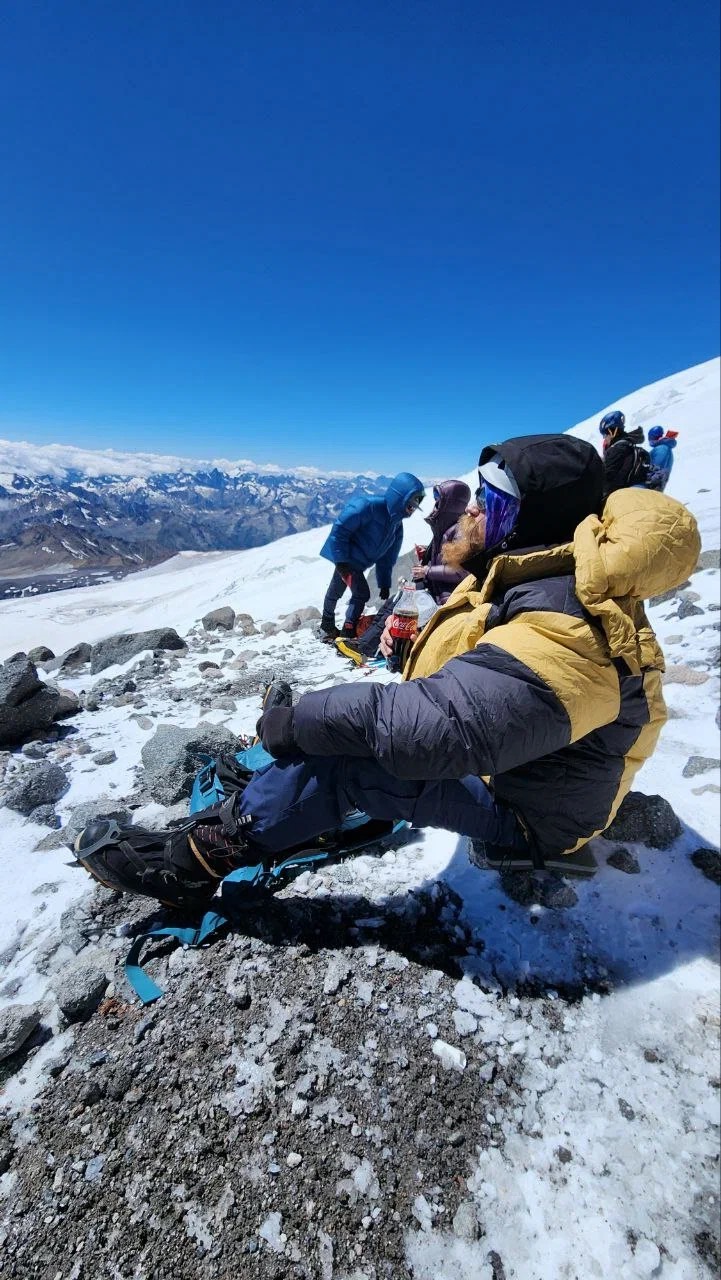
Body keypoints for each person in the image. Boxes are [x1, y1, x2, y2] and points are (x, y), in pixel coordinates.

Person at [77, 434, 699, 903]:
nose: (473, 512)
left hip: (530, 815)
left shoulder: (570, 628)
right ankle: (266, 802)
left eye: (493, 502)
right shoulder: (550, 580)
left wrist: (294, 726)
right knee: (354, 724)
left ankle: (192, 864)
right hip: (521, 771)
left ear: (527, 523)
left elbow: (431, 731)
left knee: (348, 759)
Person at [334, 478, 472, 664]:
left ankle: (366, 648)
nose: (436, 502)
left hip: (445, 597)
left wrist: (428, 571)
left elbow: (463, 573)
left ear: (451, 501)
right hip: (434, 590)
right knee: (395, 600)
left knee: (401, 607)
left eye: (440, 497)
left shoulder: (459, 532)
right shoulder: (445, 529)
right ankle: (367, 643)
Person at [318, 472, 425, 642]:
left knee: (337, 590)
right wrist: (340, 561)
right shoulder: (367, 506)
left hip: (354, 563)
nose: (412, 509)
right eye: (411, 503)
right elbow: (340, 530)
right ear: (400, 497)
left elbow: (387, 558)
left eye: (415, 505)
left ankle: (328, 624)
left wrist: (384, 583)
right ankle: (347, 630)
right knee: (360, 593)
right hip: (347, 560)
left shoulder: (396, 527)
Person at [599, 410, 649, 495]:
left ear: (612, 432)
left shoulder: (618, 449)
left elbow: (607, 478)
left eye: (605, 434)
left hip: (619, 495)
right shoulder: (628, 445)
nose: (604, 438)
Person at [646, 426, 677, 491]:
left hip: (653, 483)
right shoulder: (663, 448)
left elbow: (657, 468)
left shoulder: (662, 448)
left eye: (650, 438)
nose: (649, 440)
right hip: (656, 482)